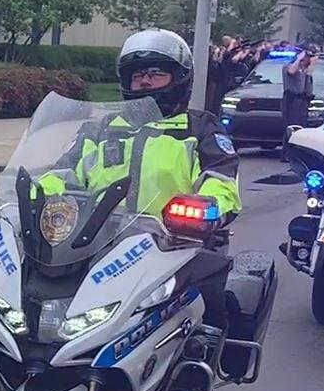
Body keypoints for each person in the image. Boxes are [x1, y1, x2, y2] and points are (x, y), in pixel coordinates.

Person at [36, 29, 243, 348]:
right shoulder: (102, 129)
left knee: (208, 313)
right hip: (97, 247)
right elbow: (63, 171)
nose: (145, 81)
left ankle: (206, 361)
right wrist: (42, 196)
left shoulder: (199, 129)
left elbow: (222, 180)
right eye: (138, 75)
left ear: (179, 78)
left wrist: (205, 205)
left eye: (156, 73)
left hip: (175, 247)